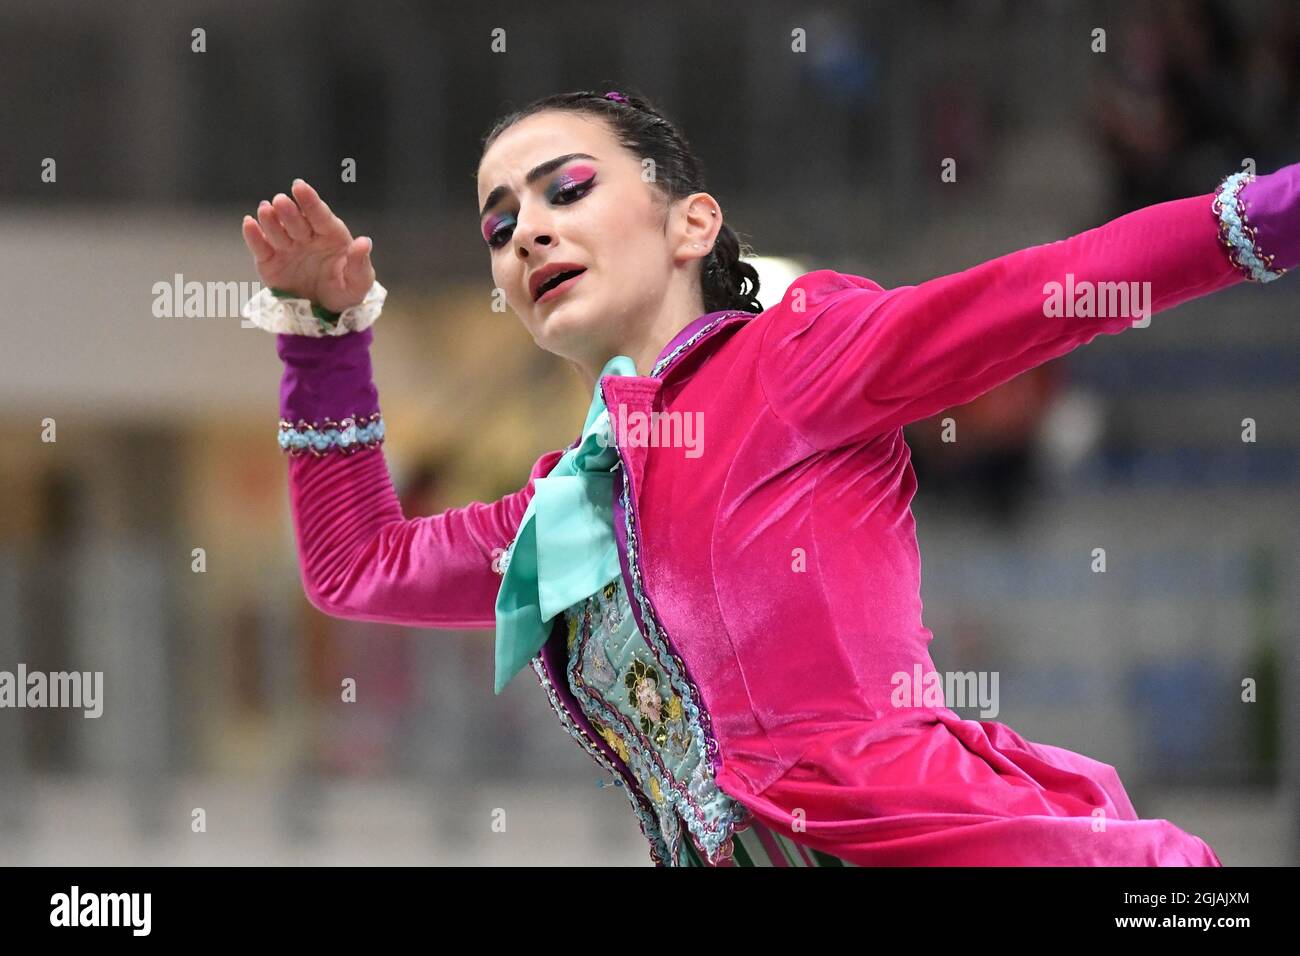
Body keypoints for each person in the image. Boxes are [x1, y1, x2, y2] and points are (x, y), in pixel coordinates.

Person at [239, 87, 1299, 867]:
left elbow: (1042, 291)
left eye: (567, 188)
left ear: (689, 222)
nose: (531, 231)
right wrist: (324, 332)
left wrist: (1271, 215)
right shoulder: (569, 507)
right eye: (501, 222)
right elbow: (354, 564)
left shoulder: (796, 358)